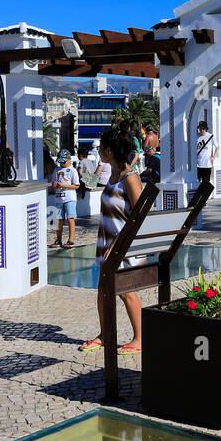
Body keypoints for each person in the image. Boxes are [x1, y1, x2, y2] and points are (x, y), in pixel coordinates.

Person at [79, 123, 146, 356]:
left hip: (122, 246)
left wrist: (118, 245)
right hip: (106, 244)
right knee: (102, 290)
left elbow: (139, 216)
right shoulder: (113, 175)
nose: (99, 151)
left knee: (126, 291)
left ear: (110, 151)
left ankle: (140, 338)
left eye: (102, 148)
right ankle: (106, 334)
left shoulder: (129, 177)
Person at [50, 151, 81, 249]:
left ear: (68, 159)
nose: (61, 164)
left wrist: (64, 185)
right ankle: (58, 240)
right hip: (58, 198)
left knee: (70, 218)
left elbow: (76, 185)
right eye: (60, 162)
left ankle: (71, 240)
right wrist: (54, 185)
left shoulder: (72, 170)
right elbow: (53, 183)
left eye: (63, 161)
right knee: (59, 220)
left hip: (69, 198)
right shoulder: (56, 169)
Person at [194, 120, 217, 188]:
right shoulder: (196, 137)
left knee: (206, 182)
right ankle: (199, 195)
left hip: (207, 164)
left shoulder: (210, 136)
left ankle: (205, 196)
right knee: (197, 181)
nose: (201, 130)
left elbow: (217, 147)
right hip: (198, 164)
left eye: (203, 128)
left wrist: (213, 157)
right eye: (200, 128)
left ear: (206, 129)